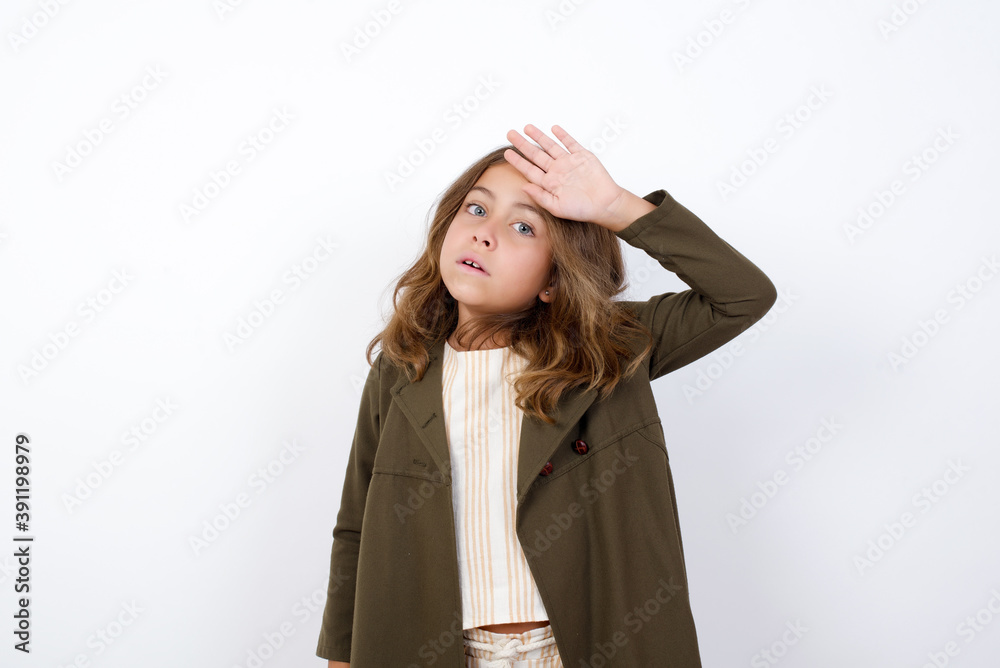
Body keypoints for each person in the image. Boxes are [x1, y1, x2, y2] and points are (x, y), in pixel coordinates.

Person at [316, 124, 777, 667]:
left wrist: (615, 206)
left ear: (553, 280)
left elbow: (743, 296)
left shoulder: (609, 350)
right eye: (476, 209)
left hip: (577, 649)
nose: (484, 235)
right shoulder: (402, 367)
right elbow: (356, 525)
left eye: (522, 227)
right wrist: (341, 658)